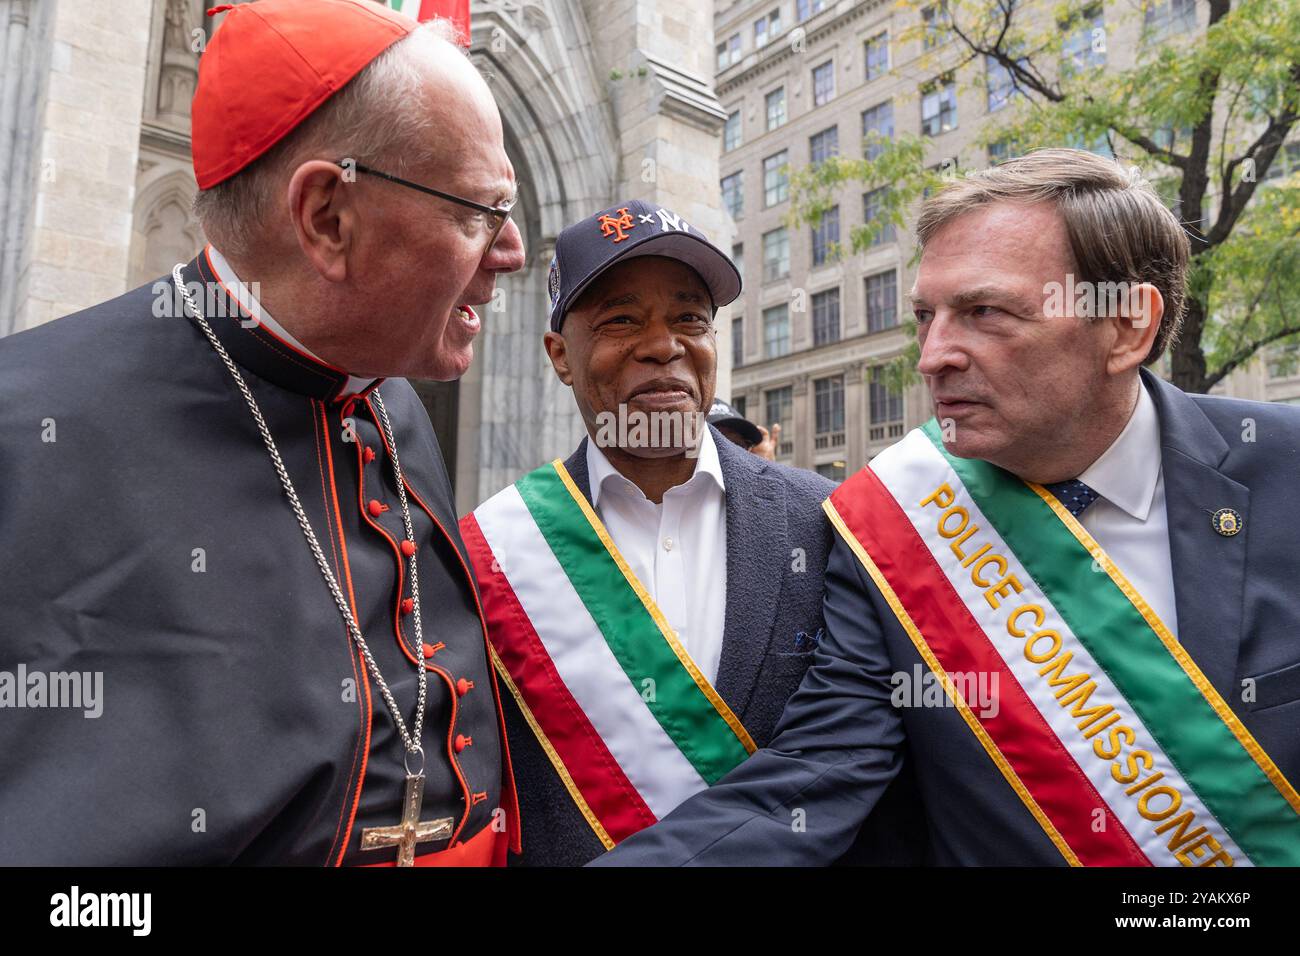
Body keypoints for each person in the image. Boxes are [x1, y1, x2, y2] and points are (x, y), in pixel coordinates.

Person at [594, 148, 1300, 866]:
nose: (932, 357)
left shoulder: (1288, 474)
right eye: (926, 317)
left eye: (984, 312)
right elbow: (812, 783)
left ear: (1126, 327)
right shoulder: (892, 526)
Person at [0, 0, 526, 865]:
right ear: (326, 217)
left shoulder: (393, 403)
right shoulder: (31, 435)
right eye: (478, 210)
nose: (510, 251)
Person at [458, 200, 923, 865]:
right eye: (622, 318)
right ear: (561, 355)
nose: (662, 344)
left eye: (689, 319)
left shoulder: (829, 523)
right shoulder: (490, 552)